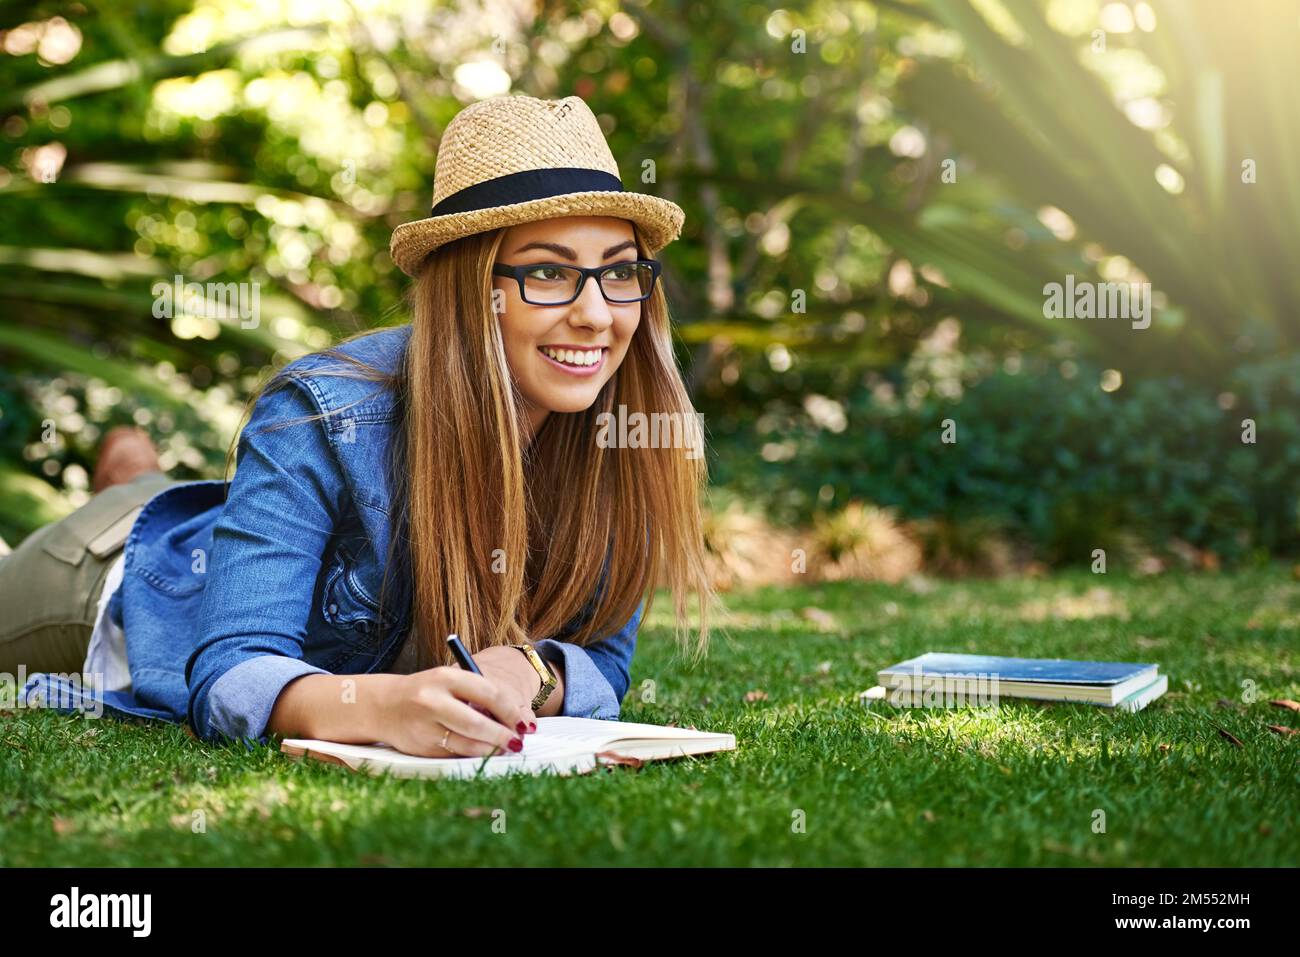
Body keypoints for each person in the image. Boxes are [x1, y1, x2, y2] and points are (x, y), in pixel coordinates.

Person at [1, 93, 714, 757]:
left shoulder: (624, 430)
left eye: (621, 273)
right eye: (550, 274)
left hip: (216, 522)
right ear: (471, 290)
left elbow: (606, 663)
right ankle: (128, 482)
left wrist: (529, 667)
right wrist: (380, 706)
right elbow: (229, 671)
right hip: (111, 589)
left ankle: (133, 467)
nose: (597, 314)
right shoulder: (325, 410)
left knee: (157, 485)